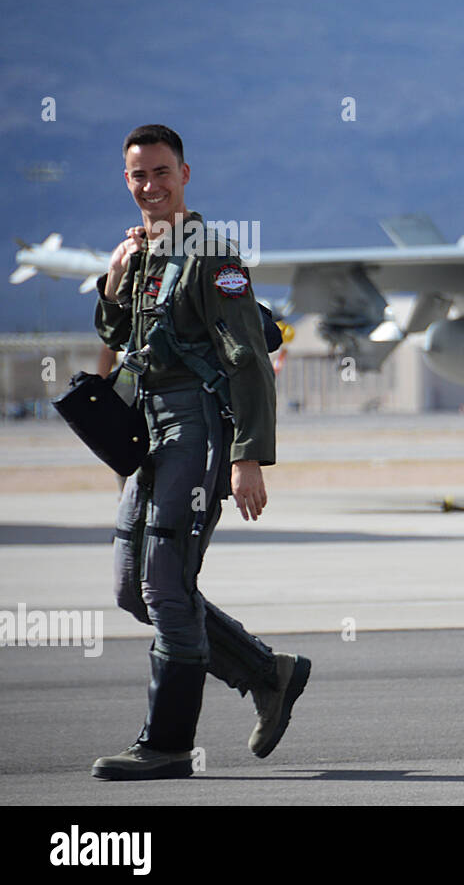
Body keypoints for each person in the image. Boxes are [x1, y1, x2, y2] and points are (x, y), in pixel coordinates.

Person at [91, 124, 310, 779]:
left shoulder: (212, 255)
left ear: (186, 175)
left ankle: (167, 745)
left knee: (165, 582)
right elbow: (120, 334)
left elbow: (247, 357)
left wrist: (248, 458)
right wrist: (114, 278)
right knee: (133, 588)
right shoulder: (146, 254)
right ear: (126, 181)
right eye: (138, 176)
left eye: (162, 172)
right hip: (151, 433)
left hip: (197, 431)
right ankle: (267, 674)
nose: (150, 186)